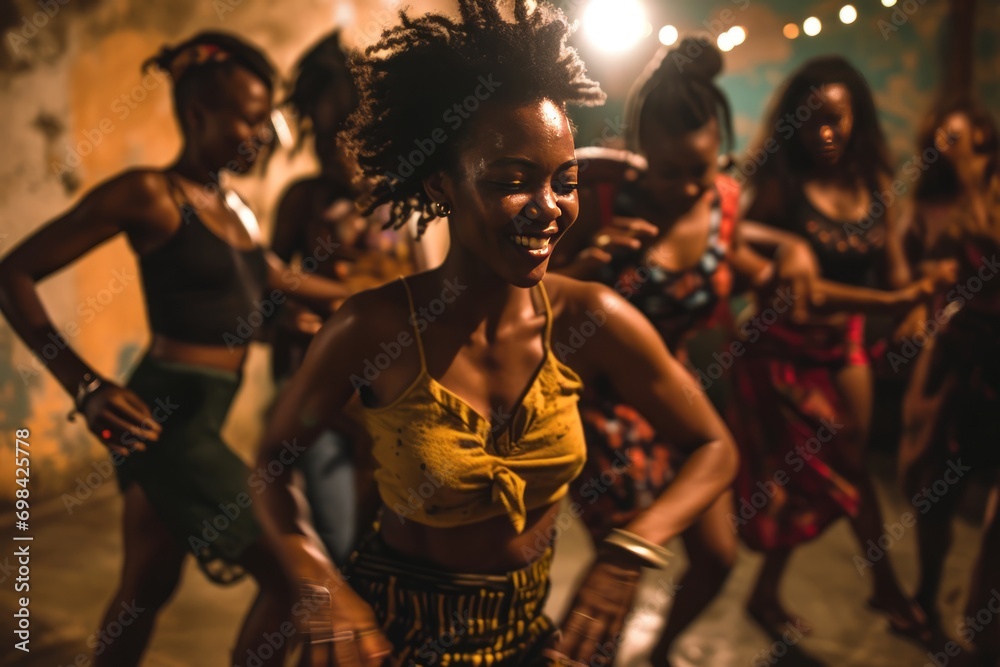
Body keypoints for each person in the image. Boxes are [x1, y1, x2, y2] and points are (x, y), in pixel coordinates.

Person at [254, 2, 738, 665]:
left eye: (564, 182)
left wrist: (630, 549)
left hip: (523, 634)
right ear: (441, 183)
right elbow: (270, 467)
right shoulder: (373, 327)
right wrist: (316, 578)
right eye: (511, 182)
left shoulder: (589, 319)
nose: (548, 208)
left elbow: (714, 444)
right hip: (390, 633)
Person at [0, 31, 351, 666]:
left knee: (145, 589)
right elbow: (13, 272)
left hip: (204, 412)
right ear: (197, 114)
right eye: (248, 117)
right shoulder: (149, 194)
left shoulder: (237, 210)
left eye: (264, 118)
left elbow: (275, 286)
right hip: (162, 418)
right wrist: (85, 385)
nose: (261, 133)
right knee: (298, 578)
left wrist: (387, 296)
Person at [733, 55, 948, 644]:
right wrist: (788, 250)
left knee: (836, 469)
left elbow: (898, 280)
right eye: (809, 122)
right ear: (791, 125)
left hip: (844, 342)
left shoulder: (875, 187)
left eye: (835, 119)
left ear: (857, 116)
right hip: (780, 350)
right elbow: (742, 244)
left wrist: (915, 308)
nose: (823, 134)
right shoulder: (780, 186)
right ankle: (883, 585)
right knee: (830, 471)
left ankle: (770, 592)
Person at [271, 31, 415, 563]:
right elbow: (261, 295)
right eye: (323, 136)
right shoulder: (303, 204)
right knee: (327, 549)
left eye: (347, 134)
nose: (334, 151)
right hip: (323, 403)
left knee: (378, 548)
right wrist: (284, 316)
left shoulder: (401, 208)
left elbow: (425, 301)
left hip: (391, 402)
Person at [898, 97, 1000, 662]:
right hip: (952, 355)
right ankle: (925, 596)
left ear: (983, 137)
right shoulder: (931, 201)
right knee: (931, 482)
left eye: (956, 136)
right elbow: (913, 273)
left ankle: (985, 616)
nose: (944, 146)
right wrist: (917, 306)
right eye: (937, 137)